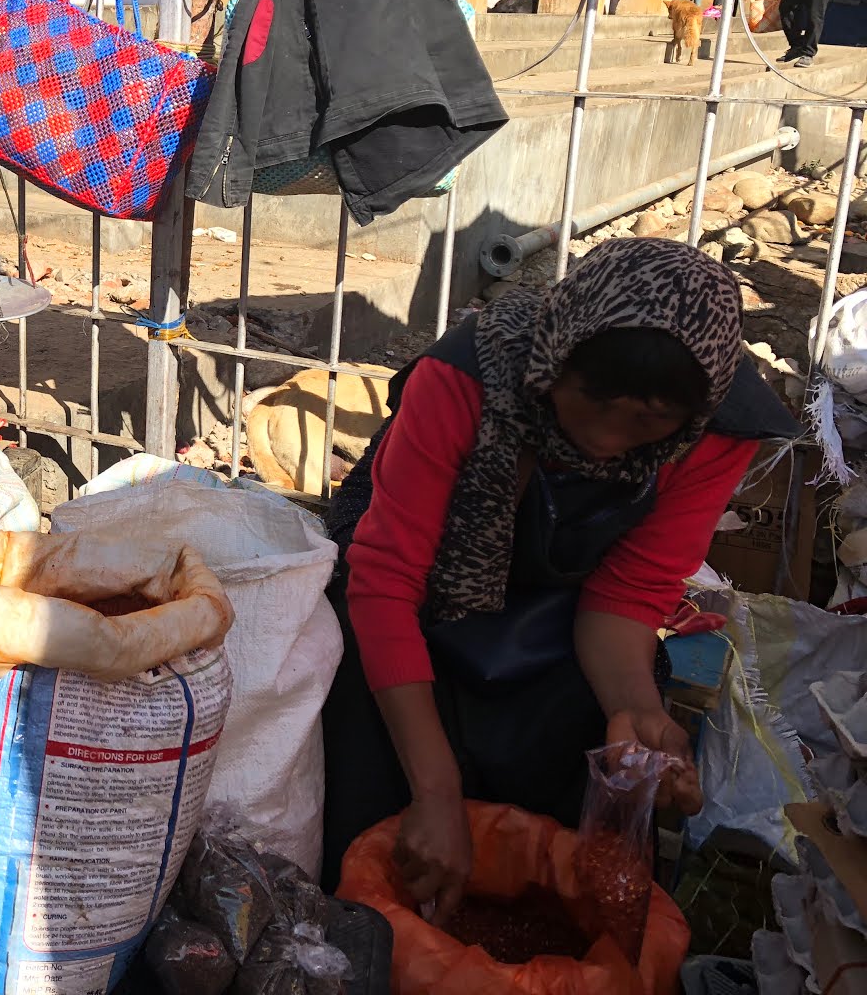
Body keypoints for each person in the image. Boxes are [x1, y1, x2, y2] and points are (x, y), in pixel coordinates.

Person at [318, 237, 799, 904]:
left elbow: (626, 596)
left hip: (563, 594)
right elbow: (386, 581)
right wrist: (436, 790)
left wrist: (636, 711)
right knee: (371, 774)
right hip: (412, 575)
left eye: (649, 420)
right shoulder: (468, 375)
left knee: (558, 768)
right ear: (555, 360)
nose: (605, 439)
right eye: (592, 401)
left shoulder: (717, 429)